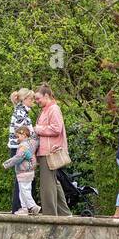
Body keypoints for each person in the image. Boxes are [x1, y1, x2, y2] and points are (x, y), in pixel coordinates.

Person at [32, 84, 72, 216]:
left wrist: (38, 129)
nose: (37, 102)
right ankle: (64, 213)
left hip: (49, 151)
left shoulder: (53, 109)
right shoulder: (46, 109)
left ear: (46, 96)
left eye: (38, 99)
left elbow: (56, 128)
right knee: (54, 183)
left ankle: (49, 215)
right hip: (46, 150)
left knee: (47, 185)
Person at [7, 88, 35, 212]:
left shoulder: (23, 112)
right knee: (22, 179)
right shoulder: (20, 113)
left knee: (25, 178)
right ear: (24, 99)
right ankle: (18, 207)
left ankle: (23, 207)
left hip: (21, 148)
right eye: (31, 99)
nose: (33, 101)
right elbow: (21, 134)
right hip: (20, 149)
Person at [2, 124, 40, 215]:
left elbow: (18, 157)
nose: (17, 139)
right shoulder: (33, 143)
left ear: (24, 135)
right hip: (30, 171)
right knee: (23, 190)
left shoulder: (22, 146)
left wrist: (6, 164)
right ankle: (24, 208)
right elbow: (36, 138)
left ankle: (33, 206)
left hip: (23, 171)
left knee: (24, 190)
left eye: (18, 136)